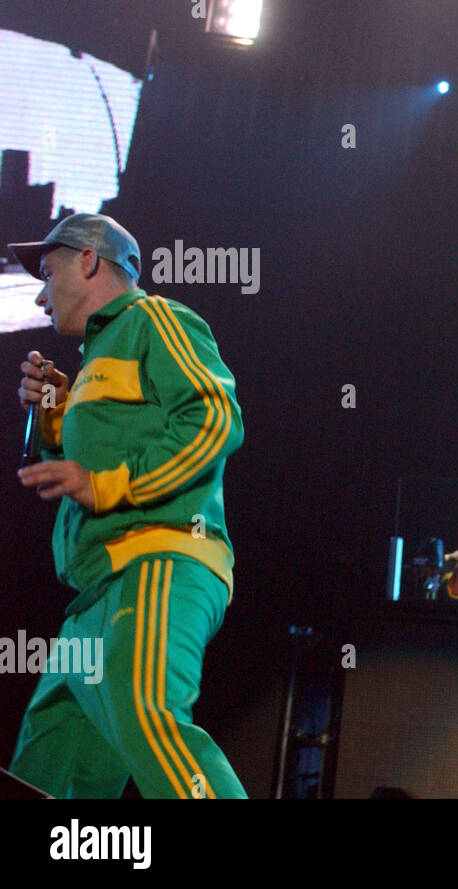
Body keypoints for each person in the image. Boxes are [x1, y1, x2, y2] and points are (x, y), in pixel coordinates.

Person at [8, 213, 246, 798]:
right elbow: (93, 456)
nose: (41, 295)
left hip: (158, 562)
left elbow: (215, 418)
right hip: (94, 594)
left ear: (89, 260)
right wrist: (55, 410)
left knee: (147, 717)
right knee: (48, 767)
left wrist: (111, 485)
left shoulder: (154, 319)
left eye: (48, 271)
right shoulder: (92, 363)